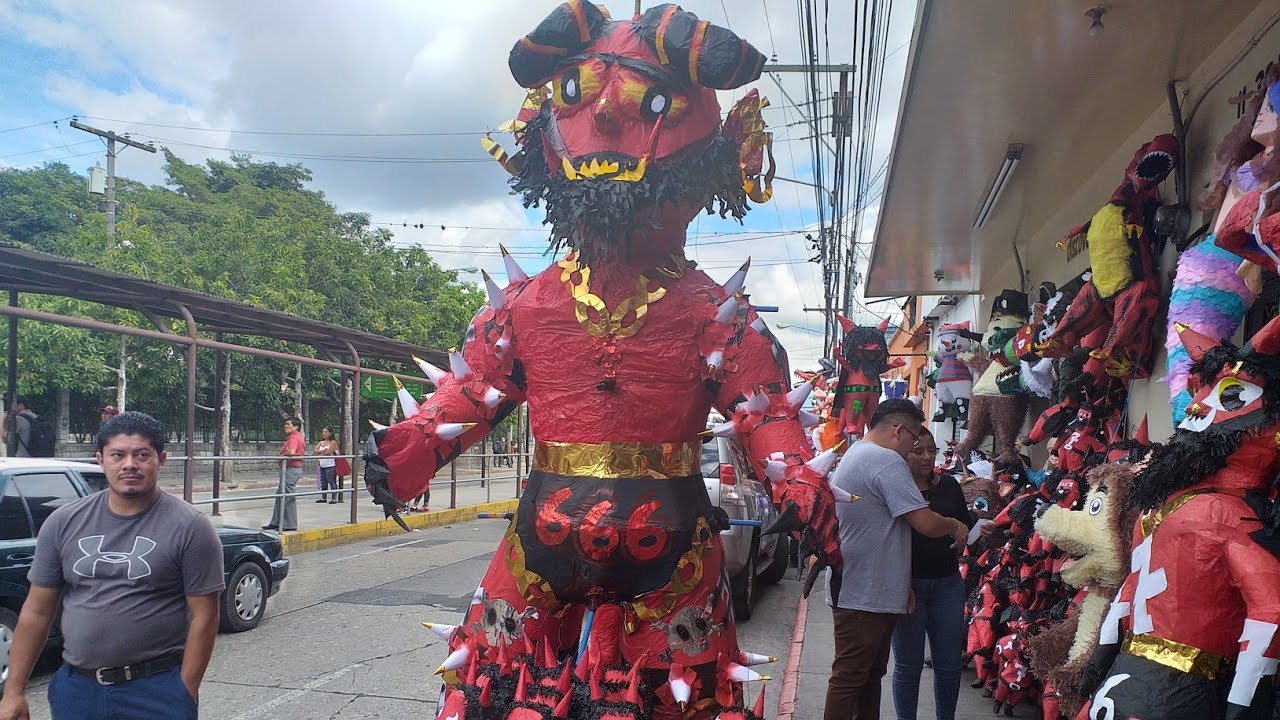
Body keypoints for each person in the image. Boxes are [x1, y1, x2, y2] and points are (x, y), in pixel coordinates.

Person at [0, 411, 223, 720]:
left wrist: (185, 690)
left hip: (156, 689)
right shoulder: (63, 523)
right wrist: (13, 691)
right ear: (100, 460)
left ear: (162, 459)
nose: (129, 464)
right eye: (118, 454)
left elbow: (206, 616)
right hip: (77, 690)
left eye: (142, 454)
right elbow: (36, 612)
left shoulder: (190, 527)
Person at [824, 399, 969, 720]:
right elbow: (926, 523)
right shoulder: (885, 461)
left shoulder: (858, 453)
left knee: (867, 676)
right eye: (914, 437)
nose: (914, 446)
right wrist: (955, 525)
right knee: (850, 678)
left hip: (868, 587)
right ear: (898, 430)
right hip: (864, 591)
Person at [891, 427, 974, 720]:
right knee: (908, 666)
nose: (927, 457)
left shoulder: (949, 486)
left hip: (948, 584)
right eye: (919, 451)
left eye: (932, 450)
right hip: (908, 586)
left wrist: (976, 532)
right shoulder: (896, 487)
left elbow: (965, 526)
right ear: (904, 454)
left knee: (949, 665)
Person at [263, 416, 304, 531]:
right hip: (290, 469)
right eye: (285, 424)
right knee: (281, 494)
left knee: (287, 495)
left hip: (291, 468)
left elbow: (291, 452)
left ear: (296, 427)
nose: (286, 426)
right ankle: (276, 522)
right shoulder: (295, 437)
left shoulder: (294, 438)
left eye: (288, 424)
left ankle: (288, 524)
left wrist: (281, 457)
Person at [314, 426, 340, 504]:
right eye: (323, 432)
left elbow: (329, 452)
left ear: (330, 433)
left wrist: (320, 453)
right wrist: (322, 451)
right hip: (322, 465)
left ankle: (334, 498)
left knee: (332, 481)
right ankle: (323, 497)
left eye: (326, 432)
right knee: (323, 482)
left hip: (330, 465)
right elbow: (315, 451)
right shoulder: (321, 442)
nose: (324, 434)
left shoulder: (333, 442)